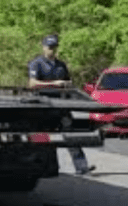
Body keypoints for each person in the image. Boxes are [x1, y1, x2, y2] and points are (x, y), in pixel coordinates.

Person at [27, 34, 94, 175]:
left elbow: (68, 82)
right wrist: (53, 84)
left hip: (61, 105)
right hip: (43, 105)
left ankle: (81, 166)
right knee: (43, 138)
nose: (52, 50)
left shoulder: (61, 65)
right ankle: (45, 167)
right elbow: (32, 84)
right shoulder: (37, 63)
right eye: (49, 47)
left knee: (70, 135)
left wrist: (67, 85)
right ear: (44, 47)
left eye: (54, 47)